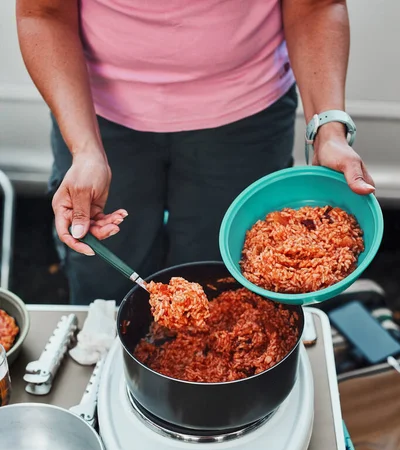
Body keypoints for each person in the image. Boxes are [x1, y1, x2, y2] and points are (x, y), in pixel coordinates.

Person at [16, 0, 375, 304]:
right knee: (105, 284)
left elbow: (315, 5)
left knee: (225, 287)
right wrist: (85, 150)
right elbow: (43, 12)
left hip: (246, 117)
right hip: (98, 118)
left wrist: (329, 130)